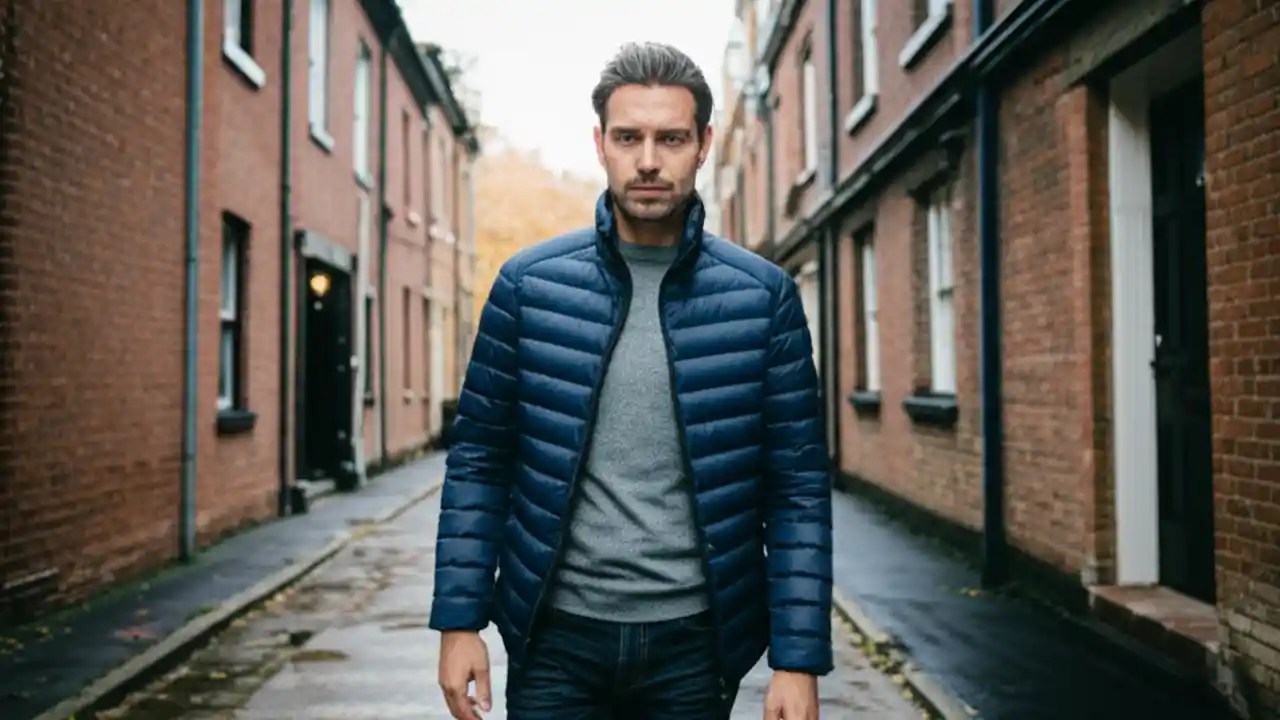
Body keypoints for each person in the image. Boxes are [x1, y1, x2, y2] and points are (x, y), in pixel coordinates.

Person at [429, 41, 833, 720]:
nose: (649, 159)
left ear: (704, 144)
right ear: (600, 144)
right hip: (553, 639)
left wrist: (797, 660)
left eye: (670, 138)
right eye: (629, 137)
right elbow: (479, 460)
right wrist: (459, 622)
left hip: (695, 647)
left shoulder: (763, 299)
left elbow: (795, 487)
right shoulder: (529, 287)